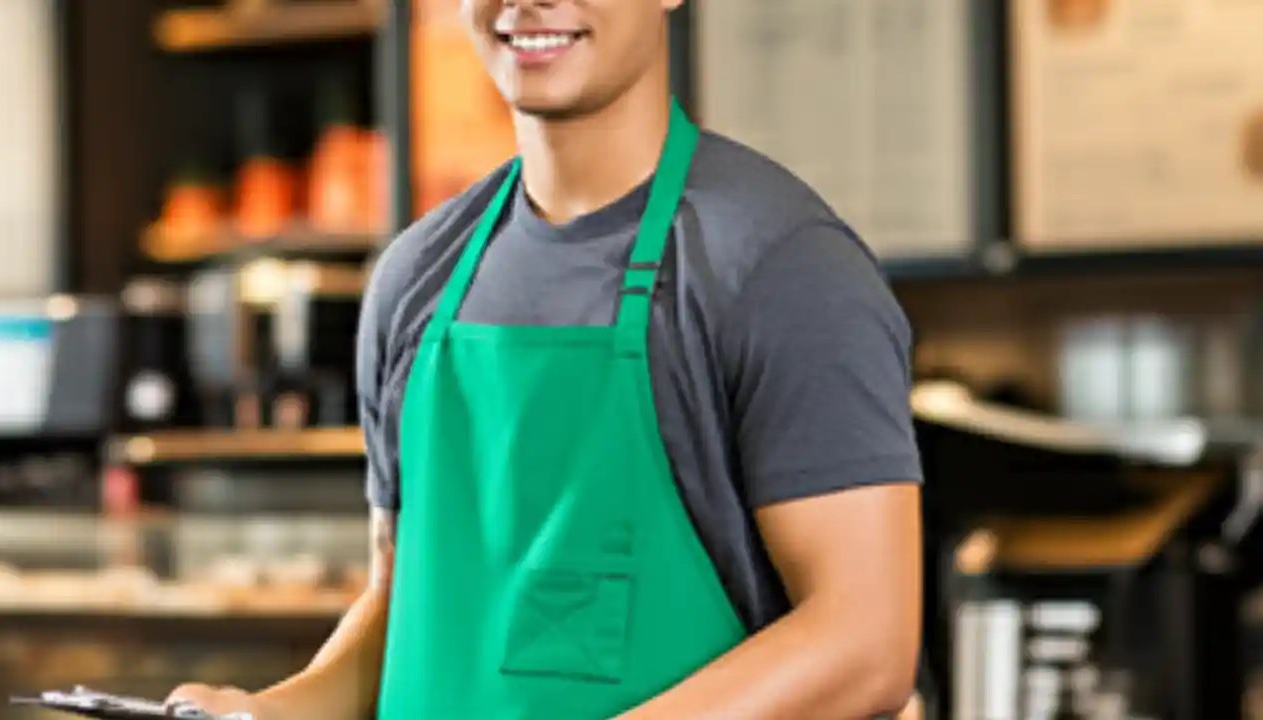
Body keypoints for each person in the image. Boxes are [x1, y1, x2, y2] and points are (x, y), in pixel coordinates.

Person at [167, 0, 923, 717]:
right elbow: (405, 610)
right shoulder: (416, 278)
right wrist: (269, 710)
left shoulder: (782, 270)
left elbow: (864, 642)